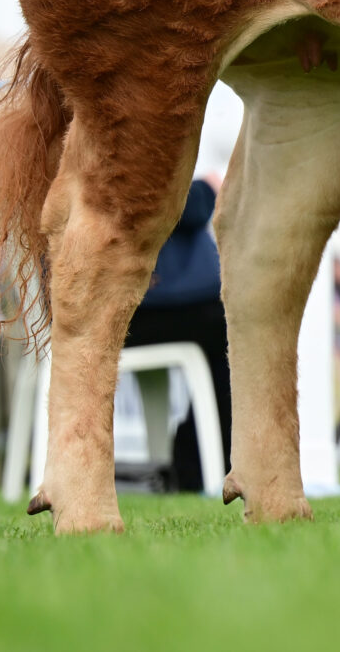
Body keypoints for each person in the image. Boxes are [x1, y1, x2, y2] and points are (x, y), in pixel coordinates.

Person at [124, 178, 232, 493]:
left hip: (146, 308)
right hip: (157, 309)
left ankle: (191, 463)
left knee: (227, 354)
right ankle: (200, 464)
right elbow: (190, 209)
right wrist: (206, 189)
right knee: (233, 341)